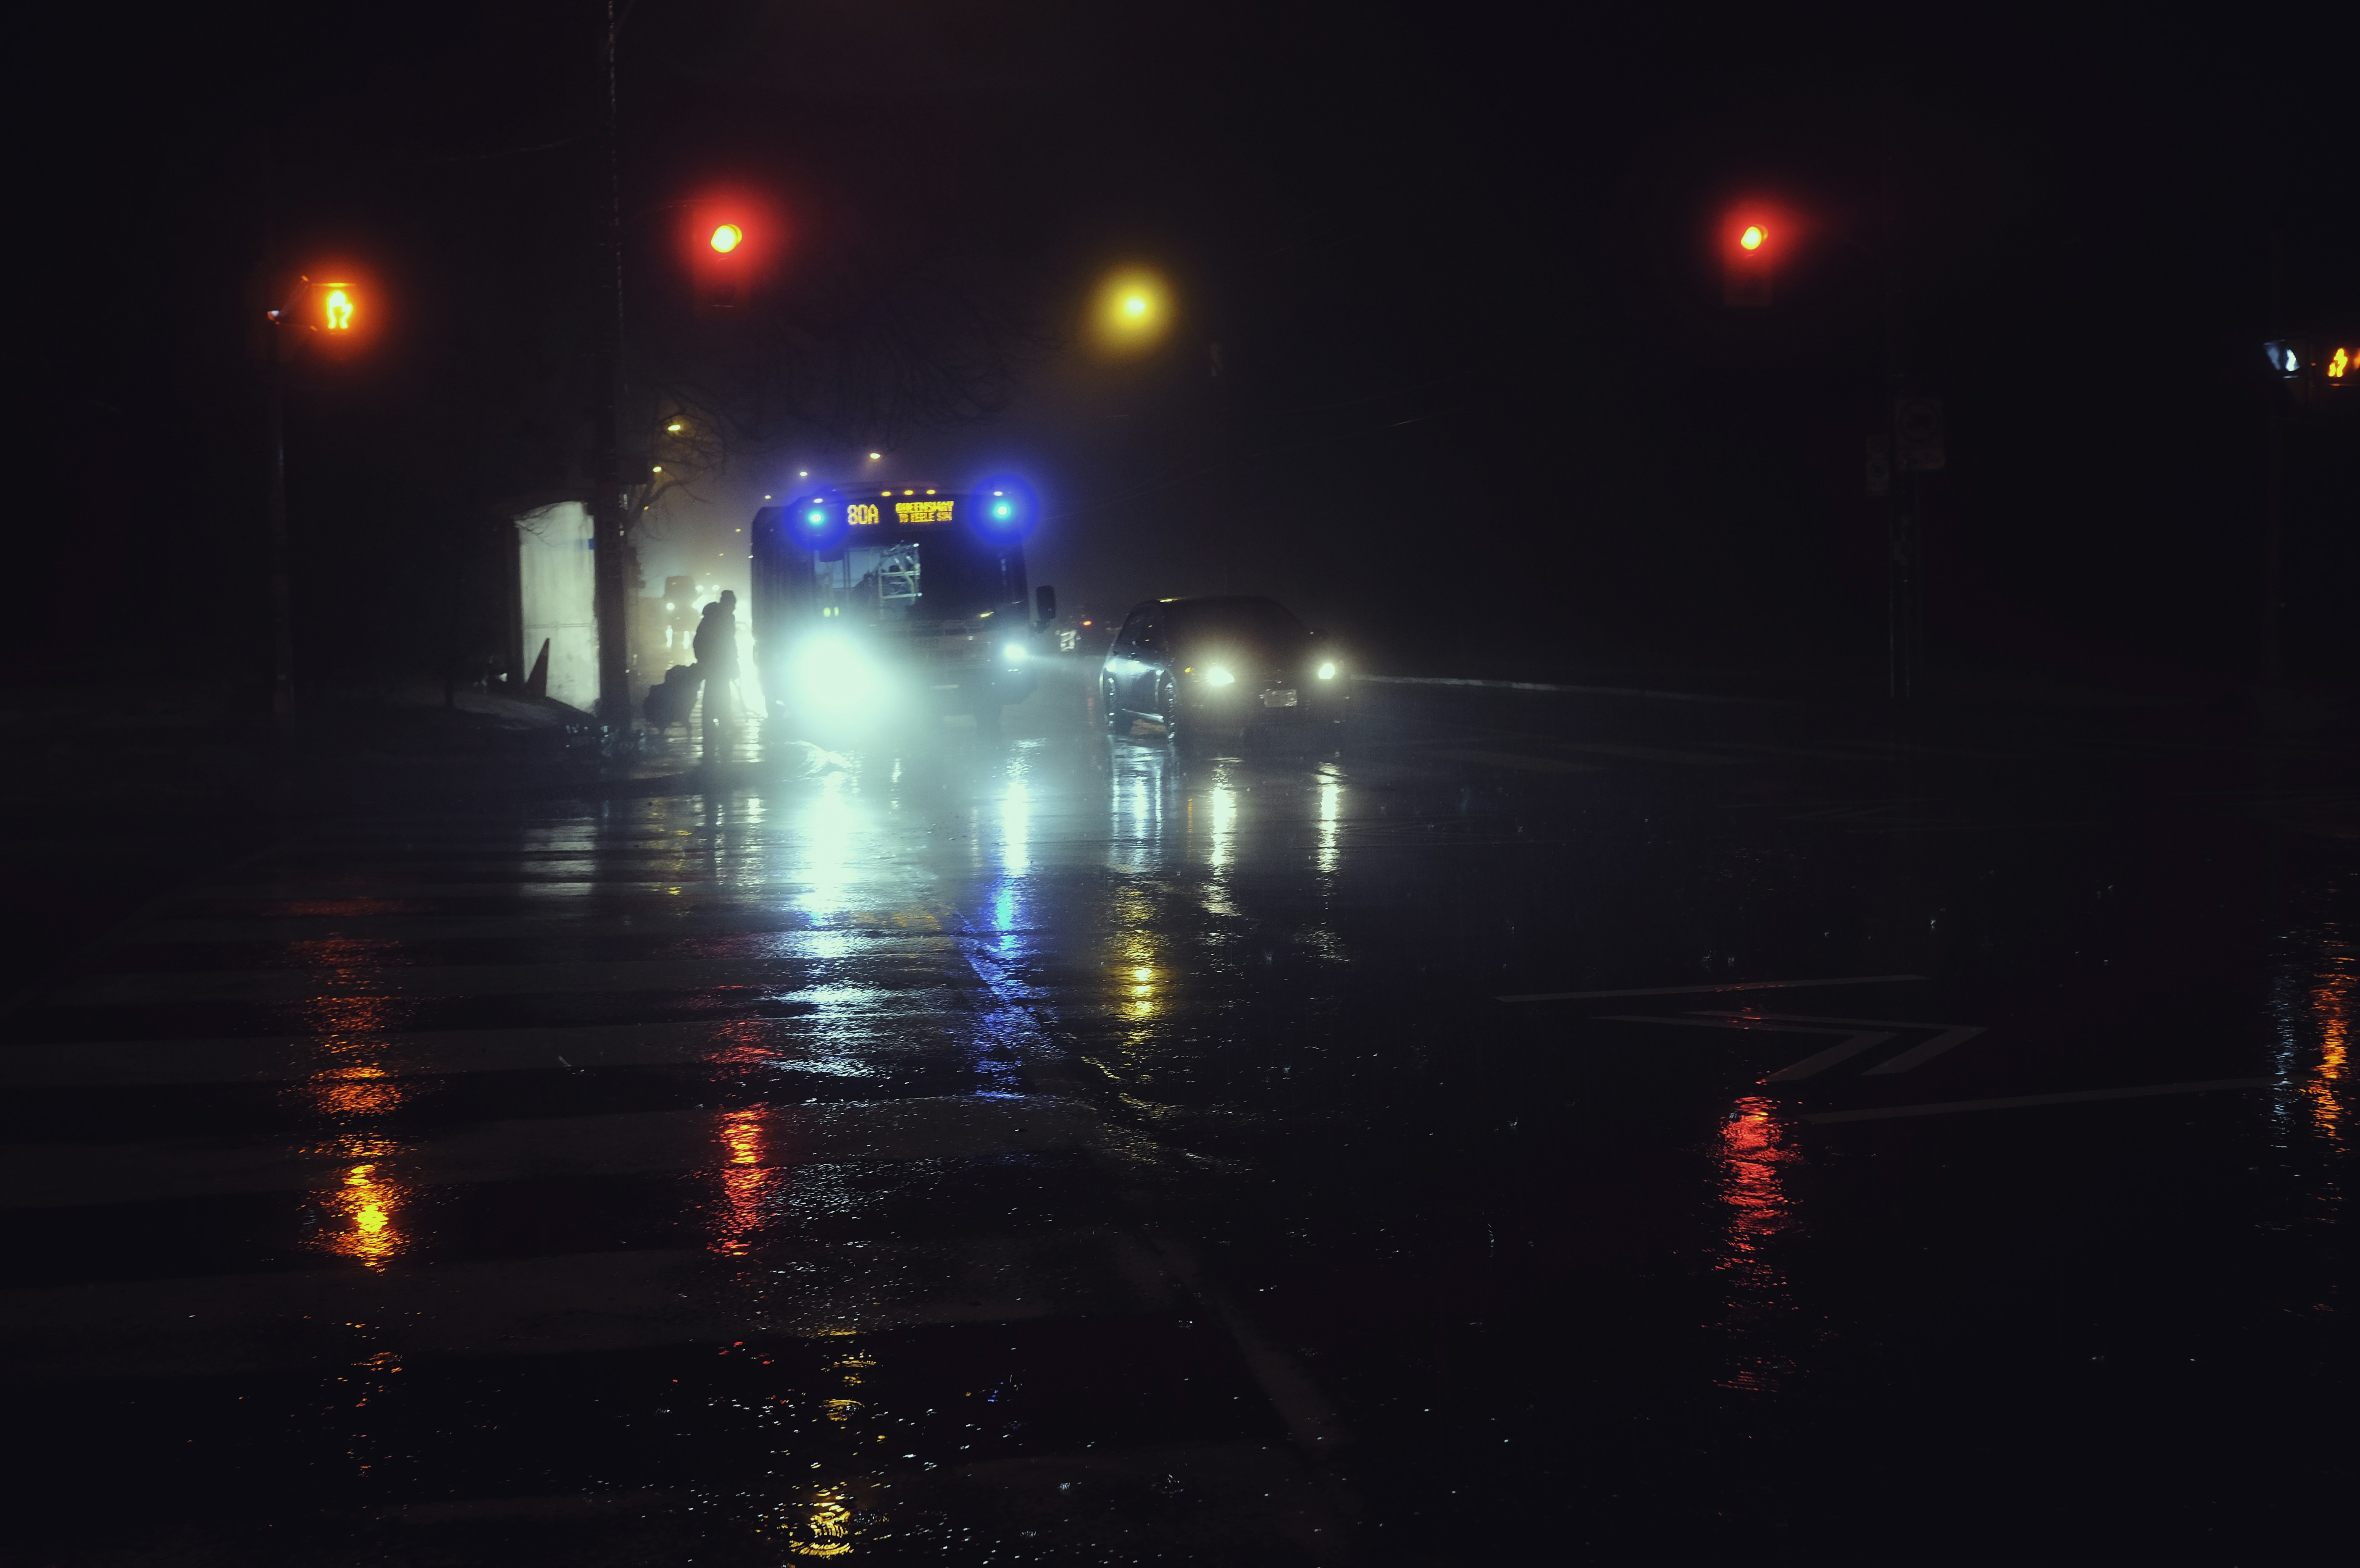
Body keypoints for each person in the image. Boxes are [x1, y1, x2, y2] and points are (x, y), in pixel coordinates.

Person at [691, 600, 733, 753]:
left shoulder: (706, 625)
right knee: (722, 701)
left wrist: (703, 662)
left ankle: (711, 733)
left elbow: (697, 644)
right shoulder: (719, 625)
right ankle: (724, 730)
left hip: (713, 670)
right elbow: (728, 646)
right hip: (719, 669)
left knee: (711, 701)